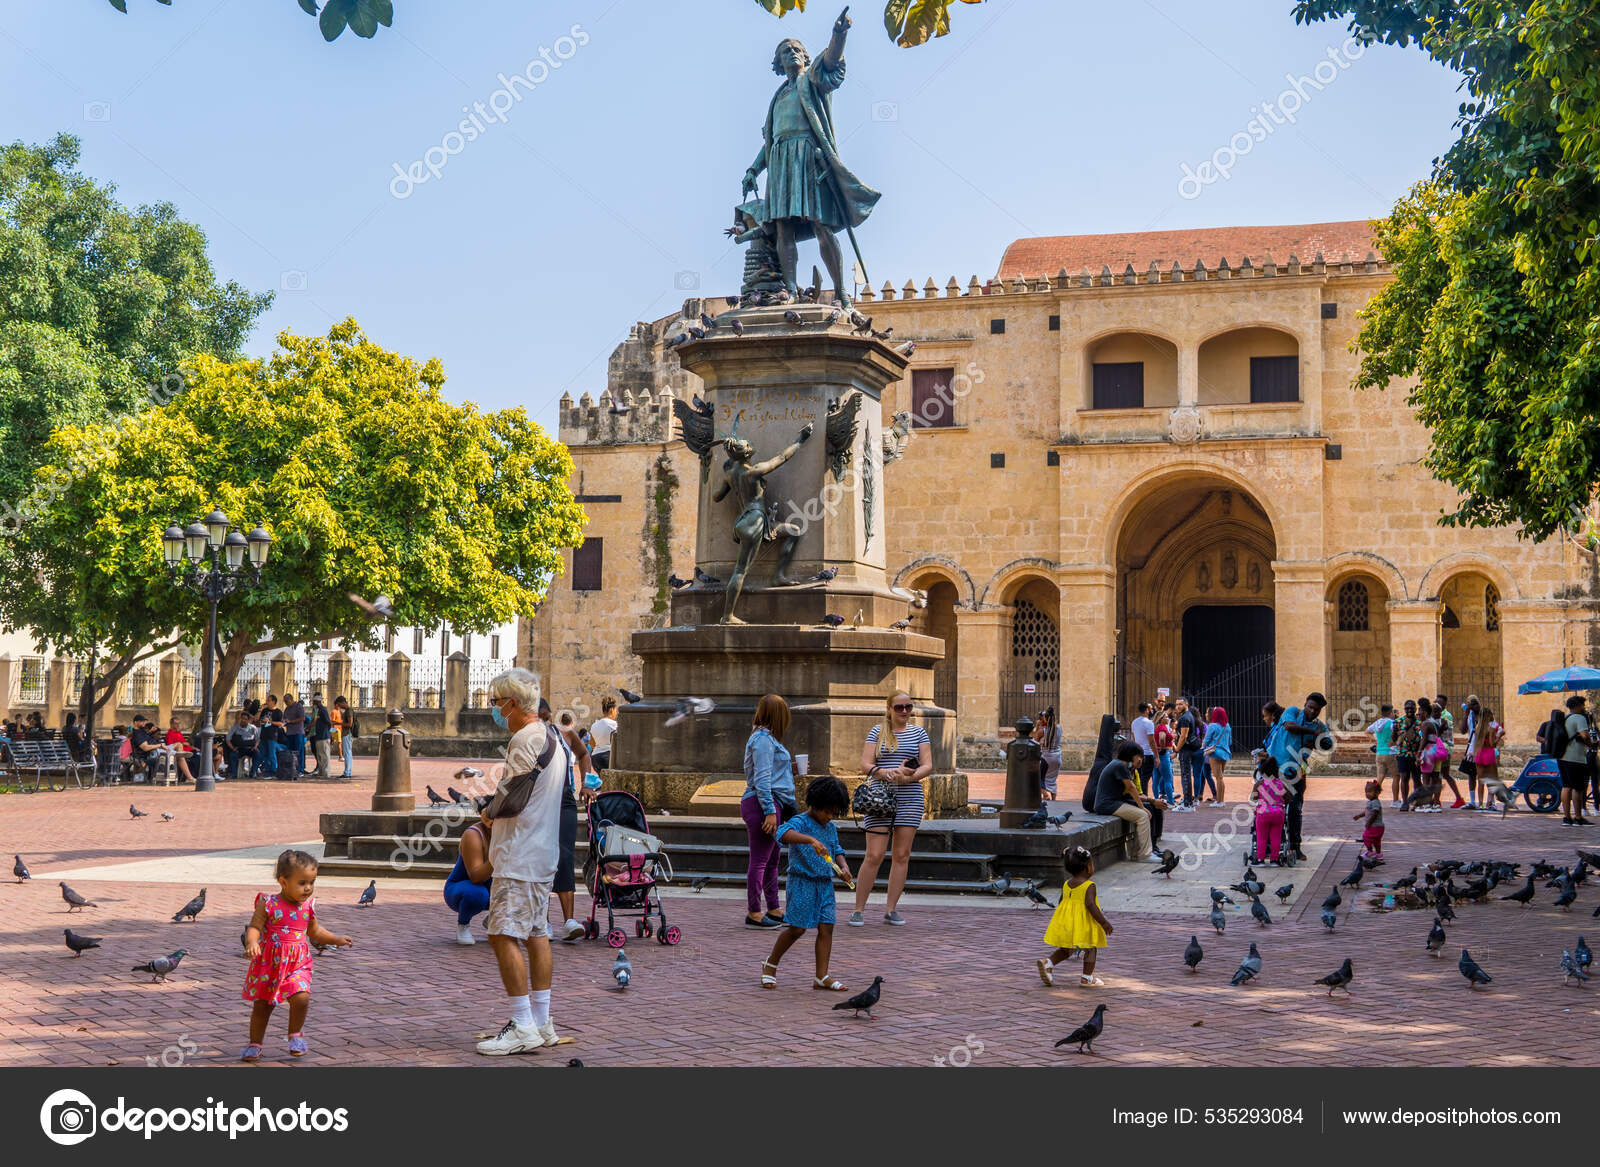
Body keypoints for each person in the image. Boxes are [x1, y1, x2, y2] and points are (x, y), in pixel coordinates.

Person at [477, 668, 568, 1055]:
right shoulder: (553, 738)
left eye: (498, 703)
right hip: (543, 851)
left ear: (513, 703)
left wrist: (487, 813)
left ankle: (523, 1025)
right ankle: (542, 1020)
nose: (496, 710)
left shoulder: (523, 739)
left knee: (501, 933)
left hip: (519, 852)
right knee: (536, 932)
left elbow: (511, 798)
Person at [239, 849, 353, 1061]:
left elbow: (315, 931)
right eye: (302, 883)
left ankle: (295, 1035)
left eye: (312, 882)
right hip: (269, 965)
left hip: (297, 964)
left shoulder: (307, 907)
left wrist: (336, 939)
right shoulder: (269, 903)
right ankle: (255, 1043)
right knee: (262, 1006)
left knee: (302, 997)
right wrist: (252, 942)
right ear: (283, 882)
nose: (308, 888)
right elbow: (255, 926)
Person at [760, 775, 853, 990]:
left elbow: (836, 850)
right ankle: (770, 964)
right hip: (802, 883)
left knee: (827, 927)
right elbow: (782, 834)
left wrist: (844, 867)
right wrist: (810, 840)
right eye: (827, 811)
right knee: (797, 929)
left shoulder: (830, 827)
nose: (830, 816)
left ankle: (822, 976)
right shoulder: (801, 822)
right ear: (815, 804)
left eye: (834, 812)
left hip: (825, 885)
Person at [849, 690, 932, 928]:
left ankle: (891, 909)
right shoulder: (878, 731)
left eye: (908, 706)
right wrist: (885, 773)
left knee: (901, 855)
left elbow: (928, 764)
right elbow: (865, 763)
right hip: (879, 797)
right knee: (874, 854)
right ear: (889, 709)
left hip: (910, 797)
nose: (905, 711)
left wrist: (908, 777)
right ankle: (858, 909)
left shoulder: (919, 732)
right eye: (899, 707)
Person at [742, 693, 797, 929]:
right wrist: (770, 812)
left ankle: (773, 909)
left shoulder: (766, 740)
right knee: (760, 861)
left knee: (773, 860)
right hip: (764, 803)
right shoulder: (763, 740)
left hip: (773, 802)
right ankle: (754, 912)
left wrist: (789, 768)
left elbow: (768, 772)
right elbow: (762, 779)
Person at [539, 699, 591, 943]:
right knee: (542, 856)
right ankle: (544, 919)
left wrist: (587, 783)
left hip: (564, 800)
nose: (542, 721)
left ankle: (569, 920)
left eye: (545, 717)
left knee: (565, 855)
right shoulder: (525, 740)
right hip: (538, 803)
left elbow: (583, 754)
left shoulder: (564, 733)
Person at [1035, 845, 1112, 987]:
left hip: (1067, 921)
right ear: (1087, 868)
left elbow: (1061, 902)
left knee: (1066, 949)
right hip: (1083, 923)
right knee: (1091, 948)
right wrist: (1104, 922)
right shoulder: (1089, 885)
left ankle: (1048, 963)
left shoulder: (1066, 884)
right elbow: (1090, 905)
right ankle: (1087, 978)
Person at [1270, 693, 1327, 861]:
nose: (1312, 711)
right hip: (1275, 768)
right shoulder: (1292, 712)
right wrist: (1312, 733)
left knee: (1295, 809)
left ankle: (1295, 847)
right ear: (1305, 704)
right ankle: (1274, 844)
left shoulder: (1320, 727)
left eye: (1316, 710)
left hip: (1297, 772)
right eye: (1310, 707)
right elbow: (1289, 726)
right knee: (1274, 808)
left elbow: (1327, 744)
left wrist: (1317, 741)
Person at [1093, 741, 1166, 861]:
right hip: (1107, 804)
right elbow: (1131, 788)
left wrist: (1148, 802)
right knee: (1142, 816)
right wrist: (1142, 807)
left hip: (1112, 802)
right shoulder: (1120, 766)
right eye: (1140, 757)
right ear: (1132, 755)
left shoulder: (1120, 765)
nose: (1141, 760)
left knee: (1144, 812)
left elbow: (1132, 791)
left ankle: (1138, 852)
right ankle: (1145, 854)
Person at [444, 805, 493, 944]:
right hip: (464, 887)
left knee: (526, 888)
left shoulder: (512, 833)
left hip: (494, 886)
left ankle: (494, 919)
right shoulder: (474, 834)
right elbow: (476, 877)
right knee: (477, 894)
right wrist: (497, 856)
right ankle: (463, 925)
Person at [1555, 694, 1596, 826]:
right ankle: (1578, 817)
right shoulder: (1579, 718)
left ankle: (1567, 818)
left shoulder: (1566, 718)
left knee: (1566, 786)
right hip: (1576, 758)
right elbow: (1584, 735)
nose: (1584, 707)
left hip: (1562, 757)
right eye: (1582, 705)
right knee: (1578, 788)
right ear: (1577, 706)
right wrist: (1591, 744)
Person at [131, 715, 193, 782]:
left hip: (157, 751)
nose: (143, 723)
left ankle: (180, 757)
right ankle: (188, 775)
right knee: (179, 750)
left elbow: (145, 740)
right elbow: (145, 747)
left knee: (179, 745)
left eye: (144, 721)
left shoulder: (141, 732)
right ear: (135, 722)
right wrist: (160, 745)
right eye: (141, 721)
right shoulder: (138, 734)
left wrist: (150, 732)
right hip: (153, 754)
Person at [1473, 707, 1511, 816]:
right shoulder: (1490, 729)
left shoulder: (1477, 727)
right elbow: (1492, 744)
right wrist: (1499, 736)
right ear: (1488, 716)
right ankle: (1489, 802)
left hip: (1479, 754)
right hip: (1489, 754)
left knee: (1480, 781)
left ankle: (1480, 804)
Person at [1252, 755, 1289, 863]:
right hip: (1278, 813)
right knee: (1276, 837)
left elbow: (1253, 798)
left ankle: (1260, 859)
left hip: (1263, 813)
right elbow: (1287, 799)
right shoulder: (1280, 783)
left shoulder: (1259, 784)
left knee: (1261, 837)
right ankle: (1274, 860)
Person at [1175, 697, 1210, 807]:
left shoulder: (1185, 718)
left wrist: (1176, 749)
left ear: (1186, 704)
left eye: (1180, 704)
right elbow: (1203, 737)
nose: (1178, 707)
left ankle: (1187, 801)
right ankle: (1196, 798)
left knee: (1186, 775)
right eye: (1177, 705)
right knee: (1197, 775)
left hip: (1187, 749)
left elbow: (1184, 736)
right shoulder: (1200, 723)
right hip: (1198, 749)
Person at [1433, 693, 1466, 808]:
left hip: (1443, 749)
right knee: (1445, 774)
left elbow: (1440, 731)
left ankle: (1436, 800)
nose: (1436, 703)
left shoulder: (1445, 716)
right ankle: (1458, 798)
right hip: (1444, 748)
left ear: (1445, 704)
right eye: (1435, 701)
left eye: (1439, 702)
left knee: (1438, 775)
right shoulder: (1438, 714)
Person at [1392, 700, 1421, 810]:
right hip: (1402, 754)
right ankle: (1405, 802)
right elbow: (1394, 740)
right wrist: (1395, 732)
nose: (1409, 710)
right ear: (1404, 709)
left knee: (1417, 778)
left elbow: (1422, 739)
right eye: (1407, 708)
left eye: (1411, 708)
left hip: (1415, 754)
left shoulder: (1419, 723)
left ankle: (1416, 802)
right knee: (1404, 777)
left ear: (1415, 709)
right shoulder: (1398, 722)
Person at [1200, 705, 1231, 807]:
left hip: (1214, 753)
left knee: (1218, 778)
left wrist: (1203, 747)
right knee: (1221, 777)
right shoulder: (1227, 726)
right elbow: (1230, 741)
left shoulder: (1212, 726)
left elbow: (1207, 740)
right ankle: (1221, 800)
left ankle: (1219, 801)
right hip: (1225, 753)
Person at [1368, 704, 1398, 804]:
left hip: (1379, 753)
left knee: (1380, 777)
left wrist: (1376, 741)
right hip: (1390, 753)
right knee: (1396, 776)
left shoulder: (1377, 723)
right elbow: (1398, 734)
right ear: (1390, 713)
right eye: (1393, 712)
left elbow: (1367, 731)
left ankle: (1373, 798)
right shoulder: (1392, 723)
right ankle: (1395, 801)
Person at [1033, 706, 1062, 802]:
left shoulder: (1042, 731)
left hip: (1046, 757)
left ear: (1045, 719)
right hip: (1057, 757)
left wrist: (1037, 727)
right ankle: (1054, 799)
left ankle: (1045, 795)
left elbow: (1034, 742)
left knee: (1039, 778)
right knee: (1052, 779)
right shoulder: (1059, 728)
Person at [1459, 695, 1482, 808]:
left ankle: (1487, 802)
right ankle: (1473, 801)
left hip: (1483, 748)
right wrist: (1466, 714)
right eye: (1472, 704)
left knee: (1484, 775)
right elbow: (1463, 730)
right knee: (1471, 775)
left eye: (1476, 703)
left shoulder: (1485, 715)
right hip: (1472, 748)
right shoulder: (1469, 716)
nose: (1475, 706)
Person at [1354, 779, 1384, 861]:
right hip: (1379, 827)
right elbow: (1367, 811)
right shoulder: (1370, 802)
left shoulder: (1375, 802)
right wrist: (1359, 816)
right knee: (1376, 841)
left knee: (1365, 837)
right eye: (1366, 792)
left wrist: (1369, 823)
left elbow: (1375, 813)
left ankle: (1370, 851)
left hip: (1374, 826)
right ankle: (1378, 854)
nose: (1367, 794)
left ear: (1377, 793)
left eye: (1370, 792)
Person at [1130, 702, 1156, 794]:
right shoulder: (1149, 723)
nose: (1151, 711)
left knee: (1138, 778)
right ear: (1146, 710)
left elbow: (1134, 738)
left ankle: (1139, 797)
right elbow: (1151, 741)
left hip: (1137, 754)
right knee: (1145, 779)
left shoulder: (1134, 722)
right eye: (1150, 709)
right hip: (1147, 754)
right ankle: (1144, 797)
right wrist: (1156, 756)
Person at [1150, 710, 1176, 805]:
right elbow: (1161, 738)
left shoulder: (1157, 727)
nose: (1168, 718)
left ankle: (1156, 798)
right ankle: (1170, 801)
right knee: (1168, 779)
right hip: (1163, 755)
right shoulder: (1162, 727)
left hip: (1156, 754)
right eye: (1166, 717)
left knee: (1156, 778)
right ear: (1162, 719)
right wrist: (1163, 747)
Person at [226, 711, 259, 778]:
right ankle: (234, 774)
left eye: (245, 719)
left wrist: (255, 747)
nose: (243, 720)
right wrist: (232, 748)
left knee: (258, 754)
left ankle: (252, 773)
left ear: (248, 720)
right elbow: (228, 739)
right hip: (239, 749)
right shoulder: (235, 727)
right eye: (242, 718)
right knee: (232, 755)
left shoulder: (253, 728)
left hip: (250, 749)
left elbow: (257, 739)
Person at [589, 697, 617, 771]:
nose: (616, 713)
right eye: (615, 710)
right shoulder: (615, 724)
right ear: (612, 709)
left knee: (602, 780)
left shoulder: (594, 725)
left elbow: (591, 743)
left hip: (595, 757)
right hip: (608, 757)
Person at [282, 691, 307, 778]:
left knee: (299, 751)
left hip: (298, 732)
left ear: (291, 700)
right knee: (290, 752)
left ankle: (300, 769)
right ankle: (292, 769)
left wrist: (291, 721)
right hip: (289, 733)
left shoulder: (298, 706)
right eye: (284, 702)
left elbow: (302, 718)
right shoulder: (286, 709)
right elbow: (284, 719)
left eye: (287, 701)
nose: (286, 703)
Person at [332, 696, 355, 780]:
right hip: (345, 734)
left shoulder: (349, 711)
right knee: (347, 753)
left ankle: (347, 772)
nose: (339, 707)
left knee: (347, 753)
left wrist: (339, 723)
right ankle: (347, 771)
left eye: (339, 705)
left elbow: (350, 724)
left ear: (343, 702)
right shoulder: (347, 711)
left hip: (347, 734)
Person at [310, 694, 332, 780]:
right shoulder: (318, 711)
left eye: (314, 702)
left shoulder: (323, 710)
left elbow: (328, 722)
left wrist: (328, 732)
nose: (313, 703)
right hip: (318, 735)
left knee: (325, 755)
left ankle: (326, 773)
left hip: (324, 736)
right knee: (319, 755)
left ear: (318, 702)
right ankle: (321, 772)